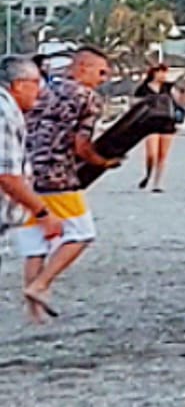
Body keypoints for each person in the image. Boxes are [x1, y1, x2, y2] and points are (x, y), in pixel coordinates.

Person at [21, 47, 116, 318]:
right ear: (83, 67)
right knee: (82, 234)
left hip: (25, 175)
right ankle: (41, 285)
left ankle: (34, 314)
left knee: (36, 243)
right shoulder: (87, 97)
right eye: (101, 72)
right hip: (57, 175)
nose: (104, 78)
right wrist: (103, 162)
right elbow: (81, 146)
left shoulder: (42, 88)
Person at [1, 55, 64, 324]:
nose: (40, 90)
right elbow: (6, 175)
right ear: (18, 84)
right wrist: (42, 212)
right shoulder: (4, 112)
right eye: (36, 83)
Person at [134, 64, 183, 193]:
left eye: (164, 73)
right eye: (161, 72)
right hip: (150, 123)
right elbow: (135, 106)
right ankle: (148, 175)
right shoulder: (143, 89)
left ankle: (157, 183)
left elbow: (178, 102)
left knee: (163, 155)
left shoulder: (168, 87)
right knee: (152, 154)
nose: (163, 75)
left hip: (167, 122)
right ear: (154, 73)